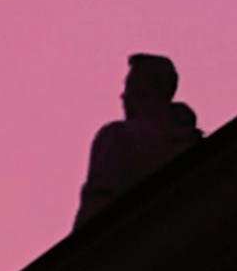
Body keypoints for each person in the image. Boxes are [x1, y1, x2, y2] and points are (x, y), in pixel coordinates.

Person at [76, 53, 203, 226]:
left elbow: (98, 200)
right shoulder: (191, 143)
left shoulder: (117, 137)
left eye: (129, 88)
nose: (123, 96)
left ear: (143, 93)